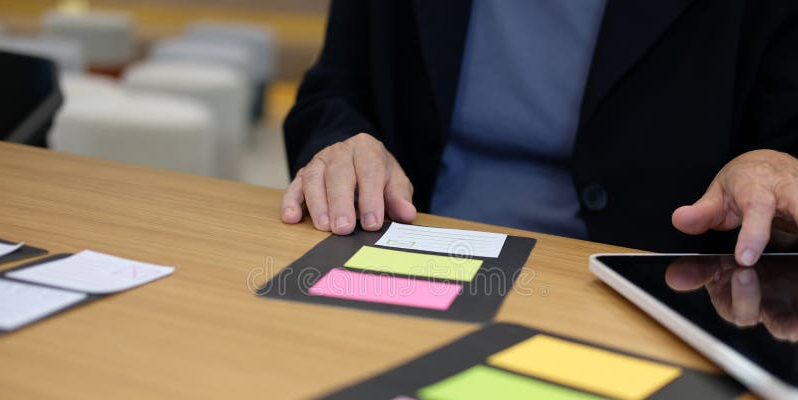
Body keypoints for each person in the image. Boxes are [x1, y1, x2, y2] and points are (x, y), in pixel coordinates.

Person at [280, 0, 798, 267]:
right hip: (408, 253)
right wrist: (343, 145)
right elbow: (332, 93)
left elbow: (782, 157)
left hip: (651, 285)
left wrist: (773, 168)